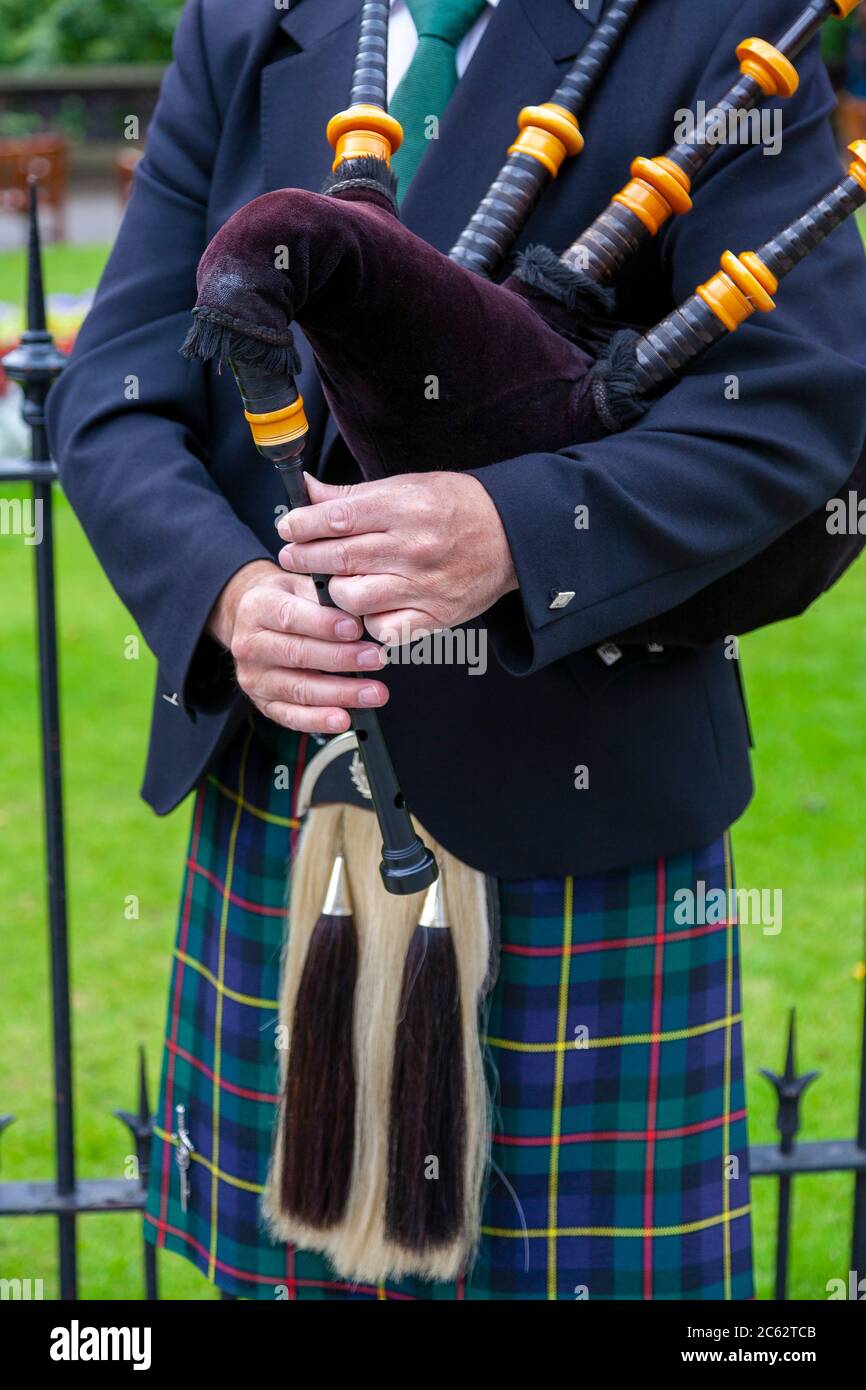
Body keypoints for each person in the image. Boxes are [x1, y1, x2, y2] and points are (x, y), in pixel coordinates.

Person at [47, 0, 866, 1300]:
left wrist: (513, 527)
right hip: (290, 793)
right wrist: (221, 592)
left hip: (575, 812)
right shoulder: (246, 21)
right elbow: (122, 374)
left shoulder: (713, 28)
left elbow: (796, 399)